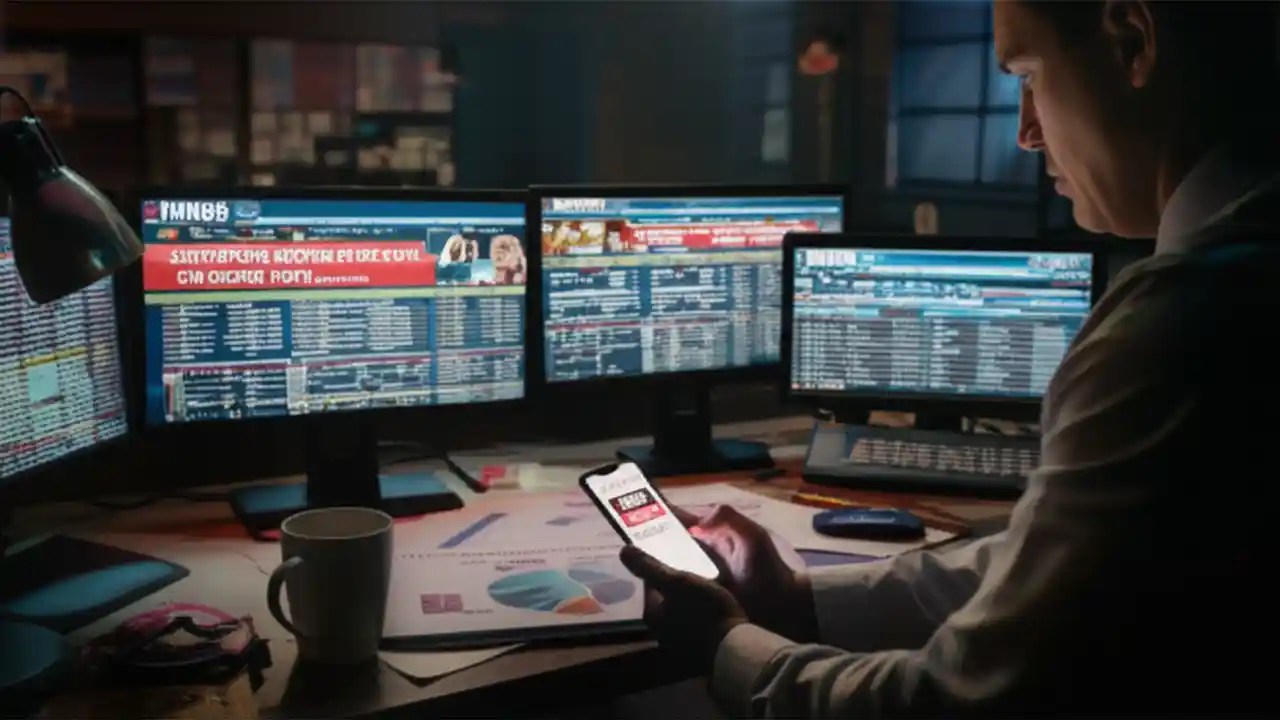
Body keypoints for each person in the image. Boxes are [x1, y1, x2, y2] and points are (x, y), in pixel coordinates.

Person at [619, 1, 1280, 716]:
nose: (1027, 132)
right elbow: (1047, 576)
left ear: (1133, 40)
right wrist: (803, 597)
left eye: (1028, 76)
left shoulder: (1180, 323)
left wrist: (725, 647)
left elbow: (966, 700)